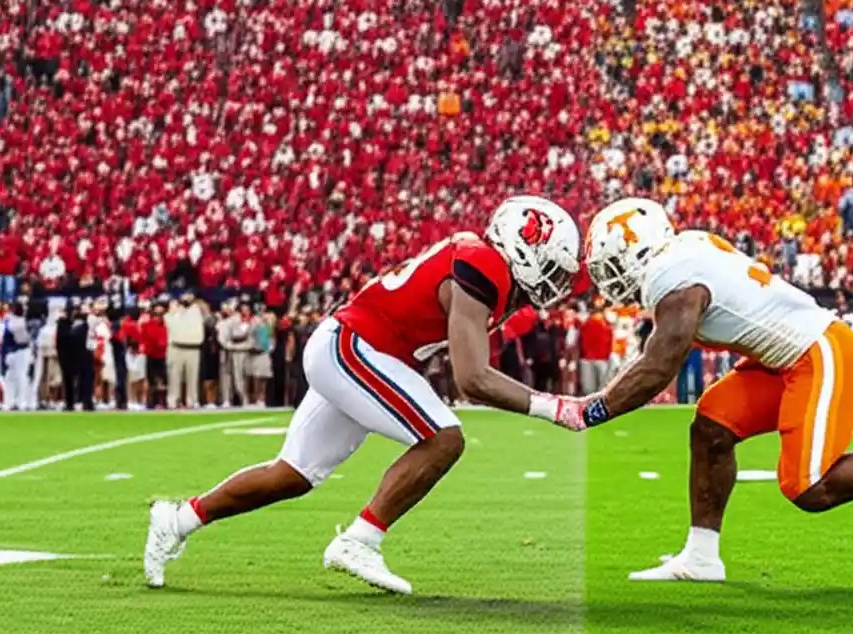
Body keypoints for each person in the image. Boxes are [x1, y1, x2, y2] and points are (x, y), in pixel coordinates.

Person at [145, 196, 582, 594]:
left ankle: (177, 520)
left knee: (292, 474)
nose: (556, 279)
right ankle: (361, 540)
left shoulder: (481, 260)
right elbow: (472, 378)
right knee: (444, 438)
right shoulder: (483, 264)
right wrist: (554, 407)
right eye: (553, 264)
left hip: (355, 349)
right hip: (356, 347)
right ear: (523, 247)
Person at [567, 198, 853, 582]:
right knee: (713, 425)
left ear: (640, 251)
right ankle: (701, 557)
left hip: (819, 351)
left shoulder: (670, 274)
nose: (610, 278)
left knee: (808, 486)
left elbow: (657, 368)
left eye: (613, 264)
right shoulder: (687, 248)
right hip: (783, 360)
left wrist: (591, 410)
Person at [164, 293, 204, 408]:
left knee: (193, 377)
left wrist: (194, 301)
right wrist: (176, 307)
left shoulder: (196, 310)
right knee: (174, 377)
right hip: (176, 347)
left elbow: (205, 309)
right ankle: (173, 401)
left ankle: (192, 400)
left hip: (193, 347)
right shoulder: (172, 312)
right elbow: (168, 320)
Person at [0, 301, 32, 410]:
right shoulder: (10, 321)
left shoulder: (20, 322)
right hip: (11, 351)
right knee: (10, 377)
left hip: (21, 351)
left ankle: (22, 401)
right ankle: (10, 401)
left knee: (21, 376)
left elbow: (23, 338)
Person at [578, 306, 615, 395]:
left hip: (589, 358)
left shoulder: (586, 324)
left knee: (589, 389)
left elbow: (581, 340)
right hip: (601, 358)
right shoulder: (605, 325)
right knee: (602, 387)